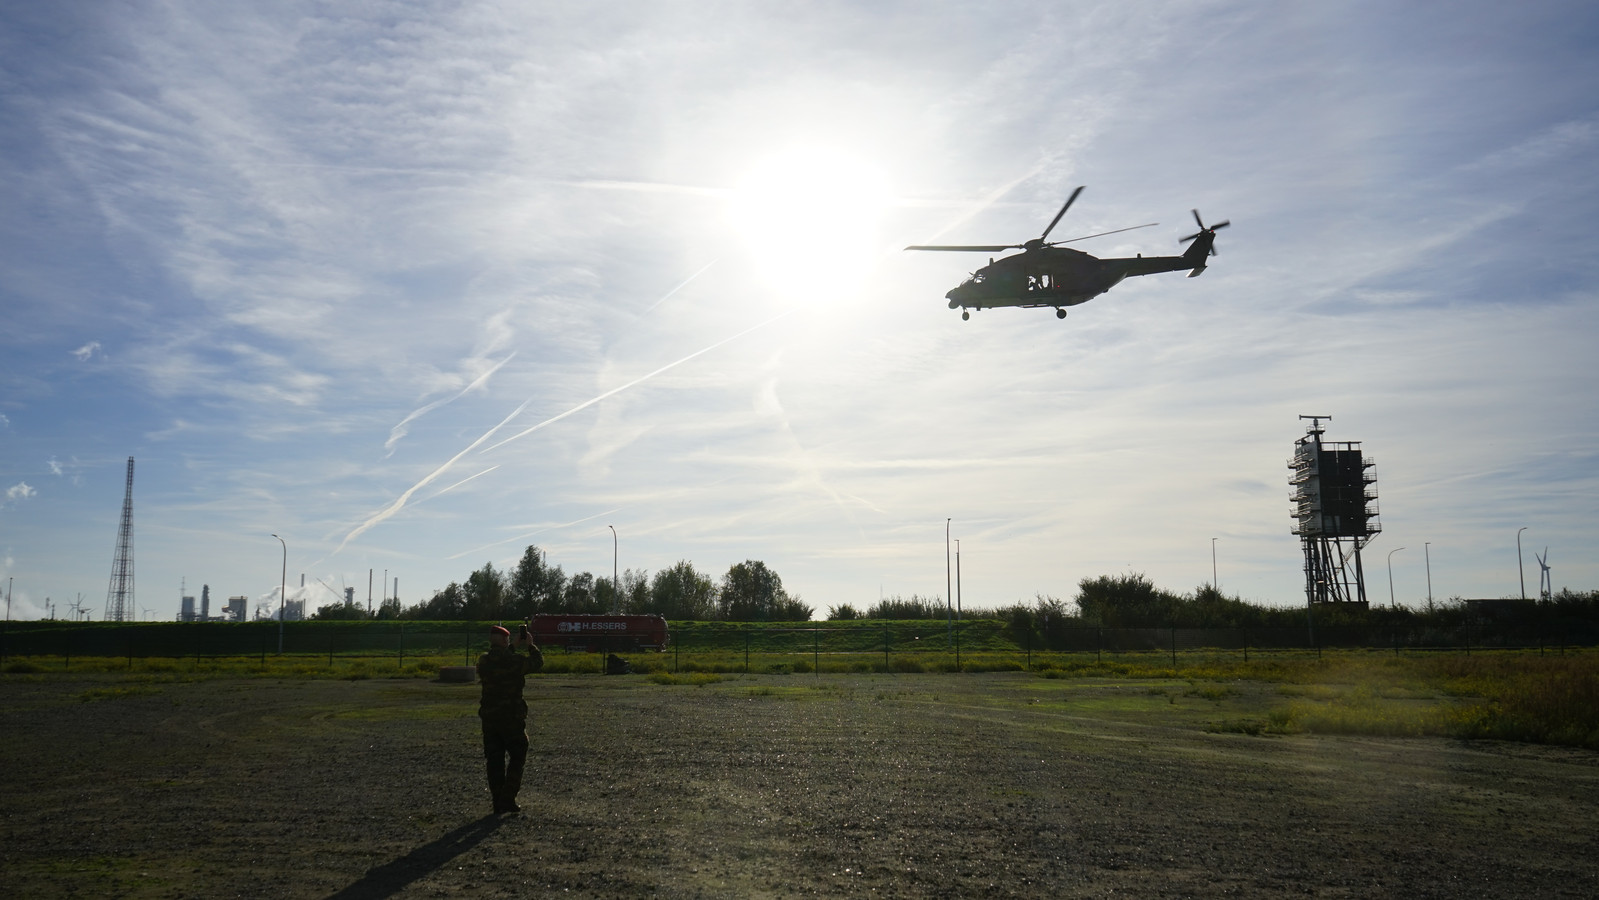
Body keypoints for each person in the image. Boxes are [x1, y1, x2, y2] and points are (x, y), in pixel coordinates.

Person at [476, 624, 542, 814]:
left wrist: (512, 646)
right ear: (505, 640)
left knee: (494, 760)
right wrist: (530, 645)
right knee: (518, 754)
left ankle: (498, 801)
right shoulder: (515, 661)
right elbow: (537, 663)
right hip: (511, 717)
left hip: (490, 718)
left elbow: (500, 659)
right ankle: (508, 798)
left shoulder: (484, 661)